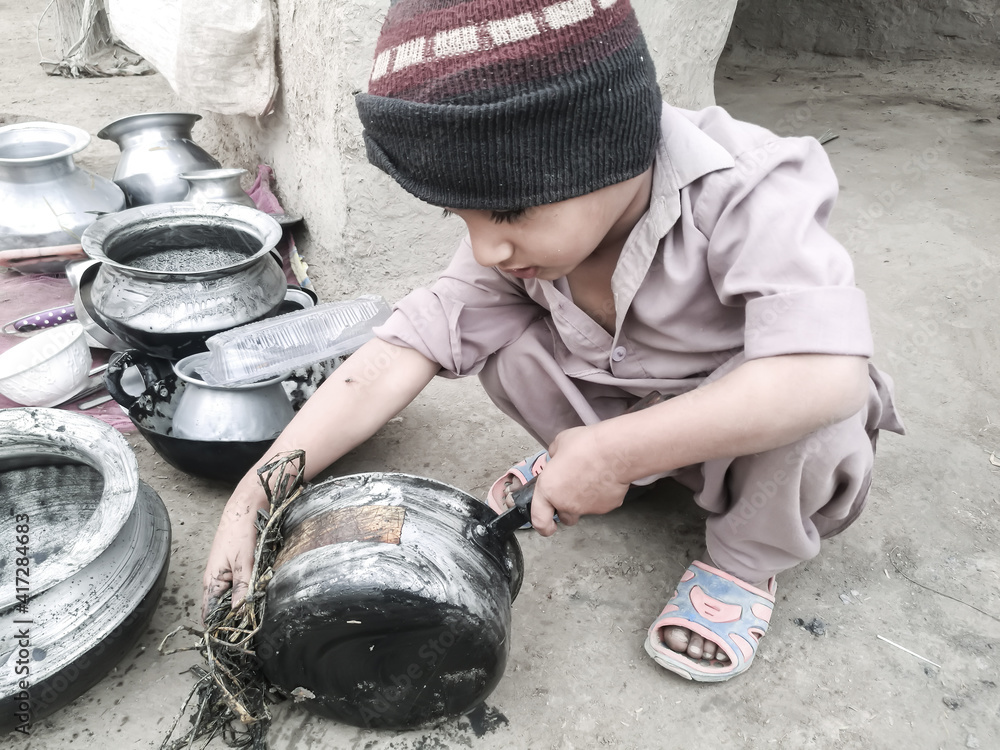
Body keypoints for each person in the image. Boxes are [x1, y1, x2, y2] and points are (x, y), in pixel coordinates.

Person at [202, 0, 903, 682]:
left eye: (507, 210)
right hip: (624, 411)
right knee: (503, 349)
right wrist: (255, 493)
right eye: (461, 215)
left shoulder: (748, 187)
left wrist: (614, 449)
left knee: (824, 415)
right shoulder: (523, 247)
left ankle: (744, 561)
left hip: (745, 435)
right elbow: (398, 352)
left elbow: (825, 373)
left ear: (611, 143)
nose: (488, 246)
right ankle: (609, 470)